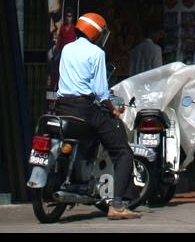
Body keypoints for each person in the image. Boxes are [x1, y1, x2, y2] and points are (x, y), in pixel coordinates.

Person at [52, 12, 141, 219]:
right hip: (85, 110)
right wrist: (114, 110)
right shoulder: (96, 53)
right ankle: (117, 205)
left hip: (62, 108)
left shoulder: (66, 49)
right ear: (96, 33)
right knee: (123, 151)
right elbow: (101, 92)